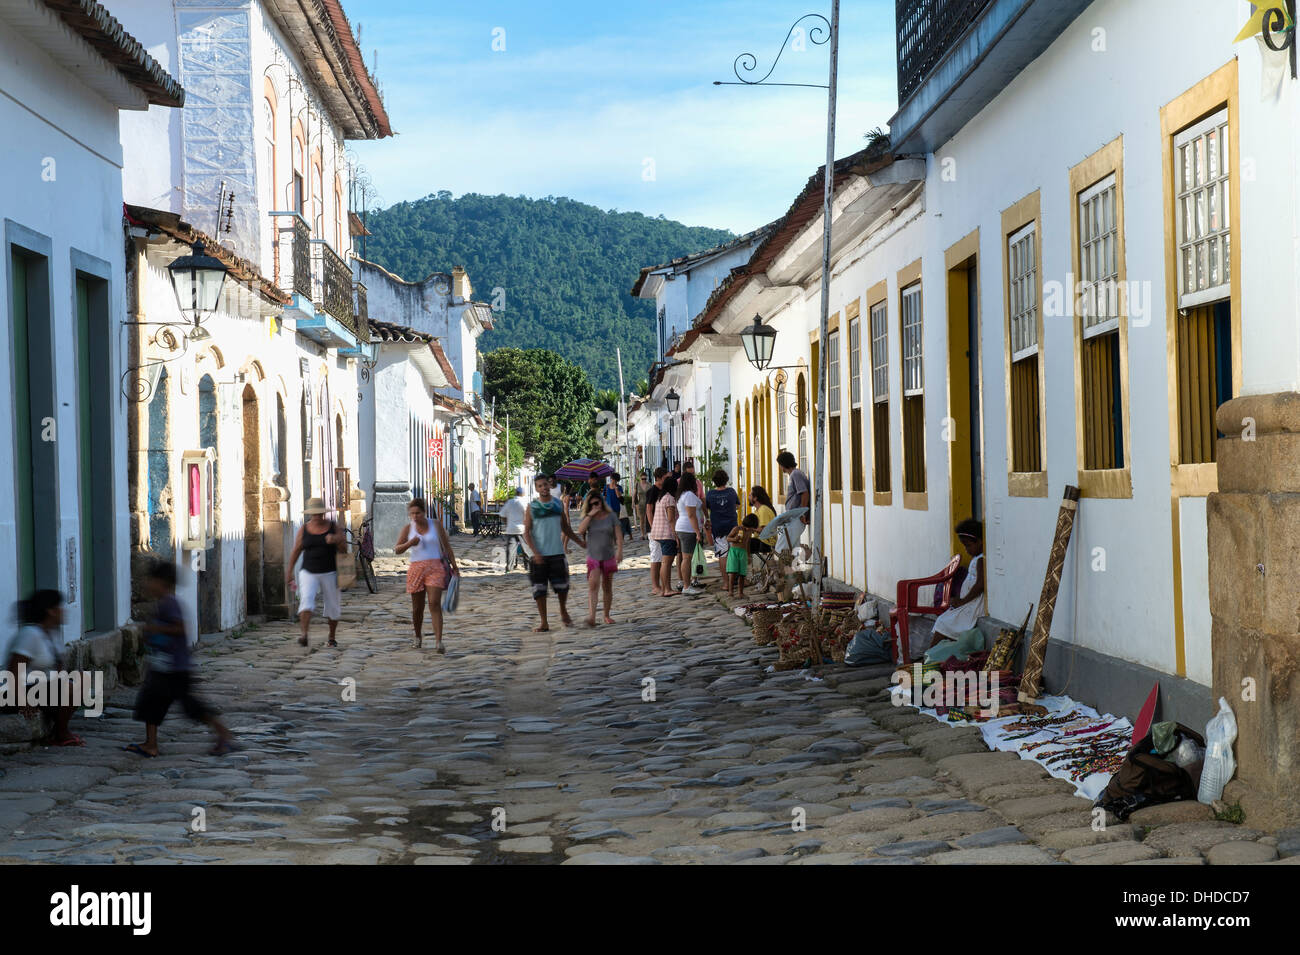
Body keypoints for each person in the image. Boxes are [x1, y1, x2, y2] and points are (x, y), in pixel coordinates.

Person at [126, 560, 234, 757]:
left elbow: (180, 628)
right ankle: (151, 744)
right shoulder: (164, 603)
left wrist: (153, 629)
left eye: (152, 581)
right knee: (152, 703)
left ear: (163, 582)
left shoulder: (169, 603)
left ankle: (223, 734)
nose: (148, 585)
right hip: (166, 666)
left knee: (188, 707)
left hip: (174, 668)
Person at [4, 590, 80, 746]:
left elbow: (58, 668)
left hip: (42, 687)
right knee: (71, 688)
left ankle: (57, 727)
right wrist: (22, 700)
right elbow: (13, 670)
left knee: (78, 682)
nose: (64, 611)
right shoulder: (30, 634)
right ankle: (61, 733)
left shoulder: (51, 634)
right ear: (50, 611)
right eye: (60, 607)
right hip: (20, 690)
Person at [395, 497, 459, 652]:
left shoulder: (435, 525)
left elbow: (447, 546)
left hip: (435, 566)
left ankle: (439, 642)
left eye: (418, 513)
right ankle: (417, 636)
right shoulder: (408, 528)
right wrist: (410, 543)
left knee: (434, 603)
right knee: (417, 608)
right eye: (412, 514)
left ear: (424, 512)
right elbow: (397, 549)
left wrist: (455, 565)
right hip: (416, 569)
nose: (415, 516)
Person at [523, 473, 585, 631]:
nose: (544, 488)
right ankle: (544, 622)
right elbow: (527, 533)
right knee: (539, 590)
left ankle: (563, 610)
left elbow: (565, 528)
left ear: (549, 486)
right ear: (536, 489)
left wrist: (579, 542)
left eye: (545, 484)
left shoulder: (557, 504)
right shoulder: (532, 507)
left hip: (556, 552)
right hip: (538, 556)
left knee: (563, 586)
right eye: (540, 486)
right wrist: (535, 552)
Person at [286, 498, 347, 647]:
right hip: (308, 571)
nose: (317, 517)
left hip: (330, 572)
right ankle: (304, 635)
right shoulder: (304, 529)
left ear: (323, 513)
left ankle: (331, 638)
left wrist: (336, 540)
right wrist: (289, 571)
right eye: (314, 514)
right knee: (306, 600)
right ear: (310, 515)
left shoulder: (333, 527)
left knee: (332, 606)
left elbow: (344, 550)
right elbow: (296, 550)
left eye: (320, 514)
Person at [931, 518, 986, 643]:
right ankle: (929, 659)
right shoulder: (977, 559)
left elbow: (980, 585)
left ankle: (925, 661)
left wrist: (962, 601)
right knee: (943, 622)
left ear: (980, 542)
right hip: (968, 603)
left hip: (973, 604)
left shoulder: (981, 560)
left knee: (943, 623)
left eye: (968, 545)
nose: (966, 550)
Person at [577, 490, 624, 626]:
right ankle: (592, 616)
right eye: (591, 505)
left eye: (597, 503)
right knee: (593, 585)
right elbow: (580, 530)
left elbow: (618, 535)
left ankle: (606, 615)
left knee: (607, 587)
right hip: (593, 556)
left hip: (608, 556)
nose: (595, 506)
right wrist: (590, 515)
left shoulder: (611, 516)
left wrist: (619, 551)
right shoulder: (589, 517)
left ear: (602, 502)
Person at [675, 473, 704, 595]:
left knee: (686, 557)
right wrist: (698, 532)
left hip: (683, 527)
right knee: (687, 558)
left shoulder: (682, 495)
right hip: (688, 529)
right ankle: (686, 586)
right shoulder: (689, 495)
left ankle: (686, 584)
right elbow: (691, 515)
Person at [652, 474, 681, 597]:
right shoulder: (670, 499)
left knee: (664, 562)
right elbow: (671, 519)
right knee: (667, 563)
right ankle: (667, 588)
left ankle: (664, 588)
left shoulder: (661, 497)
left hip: (657, 532)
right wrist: (676, 535)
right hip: (667, 533)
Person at [704, 469, 740, 561]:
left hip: (718, 528)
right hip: (732, 527)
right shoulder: (731, 492)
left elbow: (706, 507)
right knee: (733, 554)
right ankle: (733, 574)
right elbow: (737, 506)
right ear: (726, 480)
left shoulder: (710, 494)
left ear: (714, 481)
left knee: (722, 555)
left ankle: (725, 576)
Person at [725, 515, 760, 597]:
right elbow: (728, 538)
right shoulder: (736, 529)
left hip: (743, 552)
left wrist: (748, 555)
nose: (748, 529)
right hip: (734, 551)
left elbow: (747, 543)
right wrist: (734, 539)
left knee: (742, 573)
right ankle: (731, 591)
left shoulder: (749, 531)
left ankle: (740, 592)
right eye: (748, 527)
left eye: (750, 528)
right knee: (732, 572)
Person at [645, 467, 667, 594]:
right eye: (665, 477)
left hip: (662, 527)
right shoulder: (652, 491)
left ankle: (662, 583)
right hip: (654, 528)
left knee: (661, 556)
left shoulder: (663, 490)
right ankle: (655, 586)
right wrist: (653, 526)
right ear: (659, 478)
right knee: (655, 556)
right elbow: (649, 509)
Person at [777, 451, 811, 531]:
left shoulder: (796, 474)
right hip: (793, 517)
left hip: (796, 518)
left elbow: (804, 493)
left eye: (780, 465)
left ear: (783, 464)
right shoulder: (794, 474)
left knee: (784, 543)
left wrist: (802, 514)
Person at [500, 487, 528, 572]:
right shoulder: (524, 502)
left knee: (511, 550)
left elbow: (502, 515)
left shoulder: (509, 502)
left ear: (516, 493)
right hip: (522, 529)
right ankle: (528, 567)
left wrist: (507, 523)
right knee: (526, 549)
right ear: (523, 494)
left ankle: (509, 568)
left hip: (511, 529)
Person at [606, 473, 631, 539]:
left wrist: (616, 489)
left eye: (616, 480)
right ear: (611, 479)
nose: (614, 482)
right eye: (613, 480)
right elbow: (604, 497)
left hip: (616, 508)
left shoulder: (619, 487)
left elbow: (619, 497)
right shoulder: (606, 487)